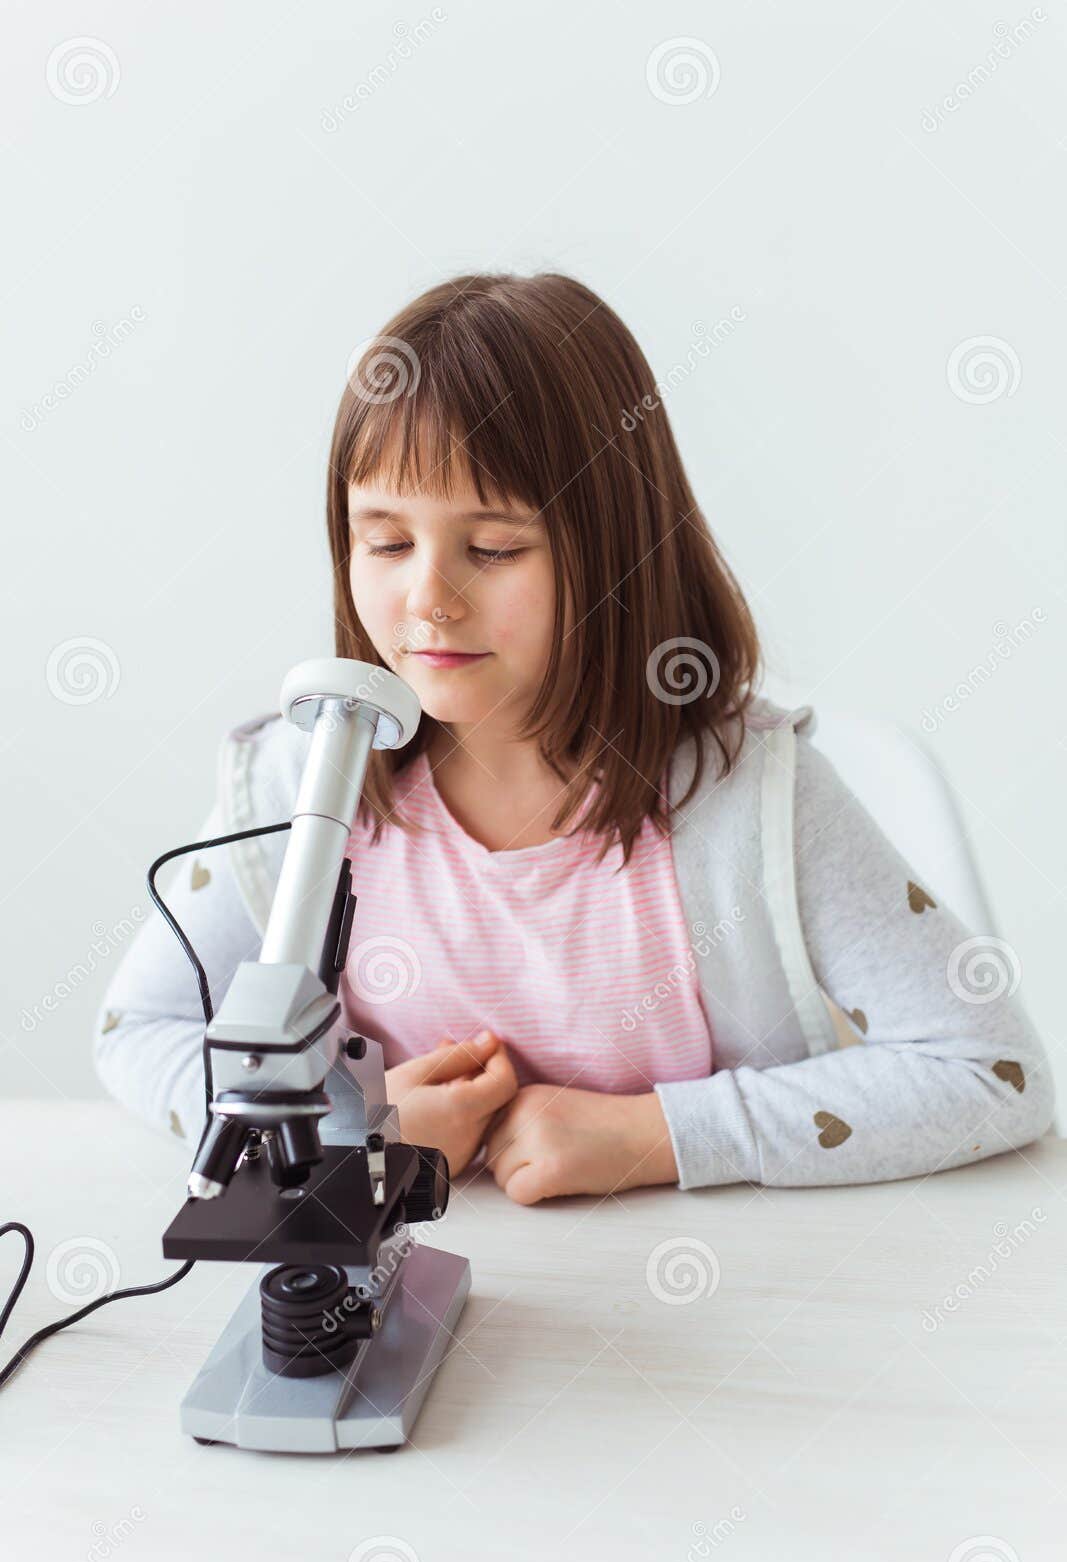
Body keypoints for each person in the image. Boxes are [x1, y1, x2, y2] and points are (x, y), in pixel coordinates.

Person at [93, 271, 1054, 1206]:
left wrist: (654, 1136)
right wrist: (352, 1121)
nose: (429, 597)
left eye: (494, 548)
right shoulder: (297, 783)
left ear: (612, 550)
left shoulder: (752, 795)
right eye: (386, 543)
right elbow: (138, 1029)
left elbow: (995, 1074)